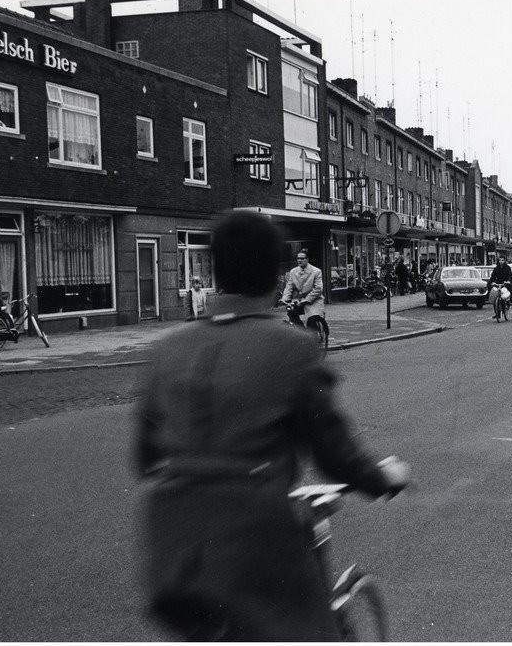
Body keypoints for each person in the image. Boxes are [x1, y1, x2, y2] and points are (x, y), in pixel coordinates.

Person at [135, 211, 410, 641]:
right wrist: (386, 477)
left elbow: (144, 458)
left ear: (216, 270)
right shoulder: (290, 347)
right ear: (274, 273)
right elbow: (336, 456)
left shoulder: (166, 351)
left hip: (175, 556)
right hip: (255, 548)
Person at [281, 249, 324, 329]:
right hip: (299, 301)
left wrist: (307, 299)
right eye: (298, 258)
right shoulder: (293, 271)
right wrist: (285, 298)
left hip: (313, 301)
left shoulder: (316, 271)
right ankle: (302, 333)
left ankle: (313, 337)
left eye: (302, 258)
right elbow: (289, 286)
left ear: (307, 259)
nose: (299, 260)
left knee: (312, 319)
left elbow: (318, 288)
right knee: (292, 315)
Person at [488, 254, 512, 319]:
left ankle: (508, 303)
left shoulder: (507, 268)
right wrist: (491, 282)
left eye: (502, 260)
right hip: (498, 283)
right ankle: (497, 313)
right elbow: (493, 276)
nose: (501, 262)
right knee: (495, 296)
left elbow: (510, 276)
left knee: (505, 295)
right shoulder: (496, 268)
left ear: (504, 261)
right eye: (500, 260)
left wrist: (508, 281)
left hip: (505, 283)